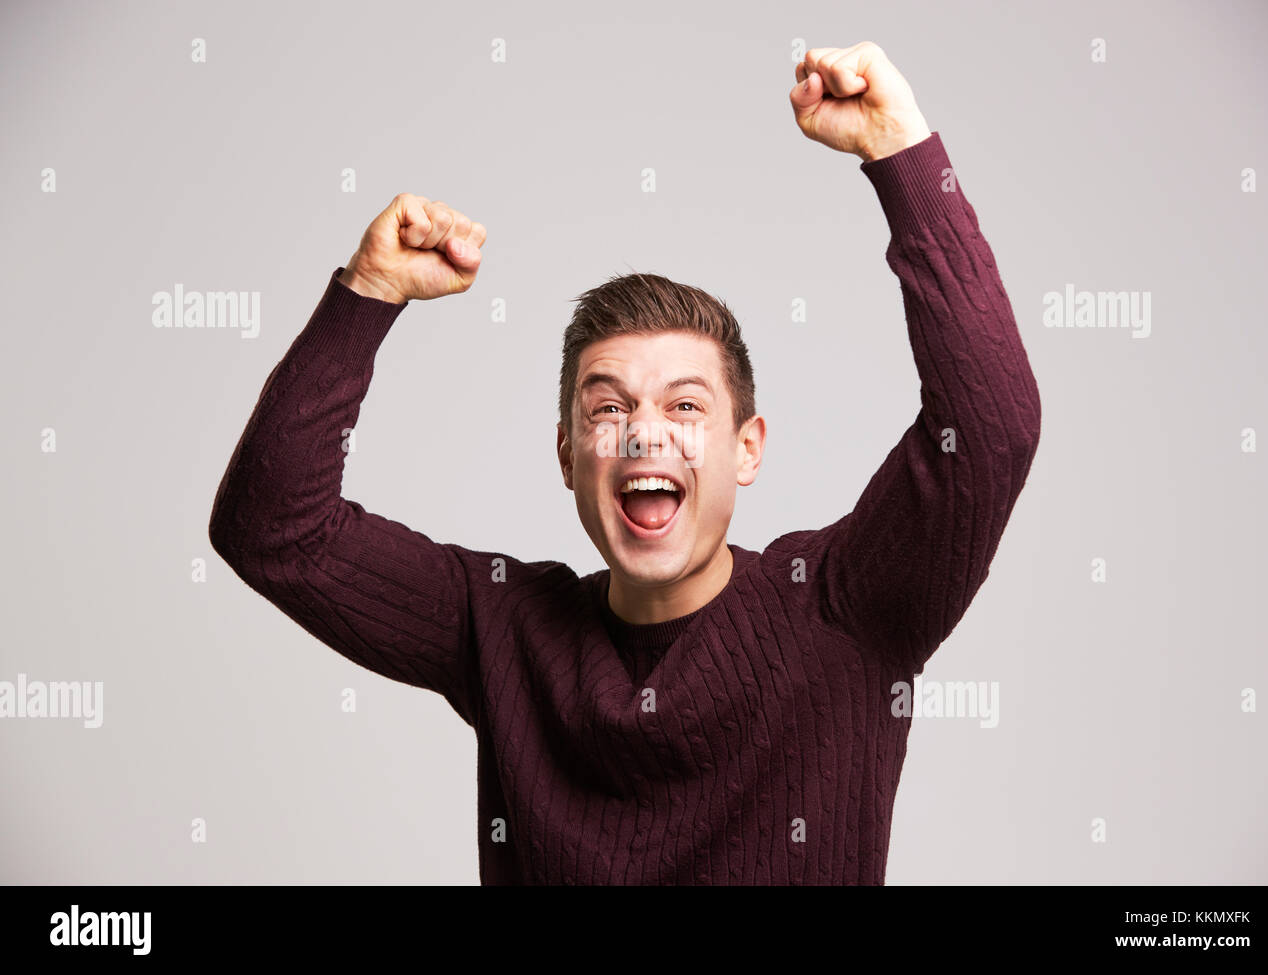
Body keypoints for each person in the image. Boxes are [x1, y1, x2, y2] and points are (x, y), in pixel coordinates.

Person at [208, 41, 1041, 884]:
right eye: (610, 408)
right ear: (567, 455)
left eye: (685, 406)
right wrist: (367, 293)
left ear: (746, 448)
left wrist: (902, 151)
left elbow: (990, 426)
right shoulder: (502, 626)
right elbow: (274, 529)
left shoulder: (845, 608)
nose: (646, 435)